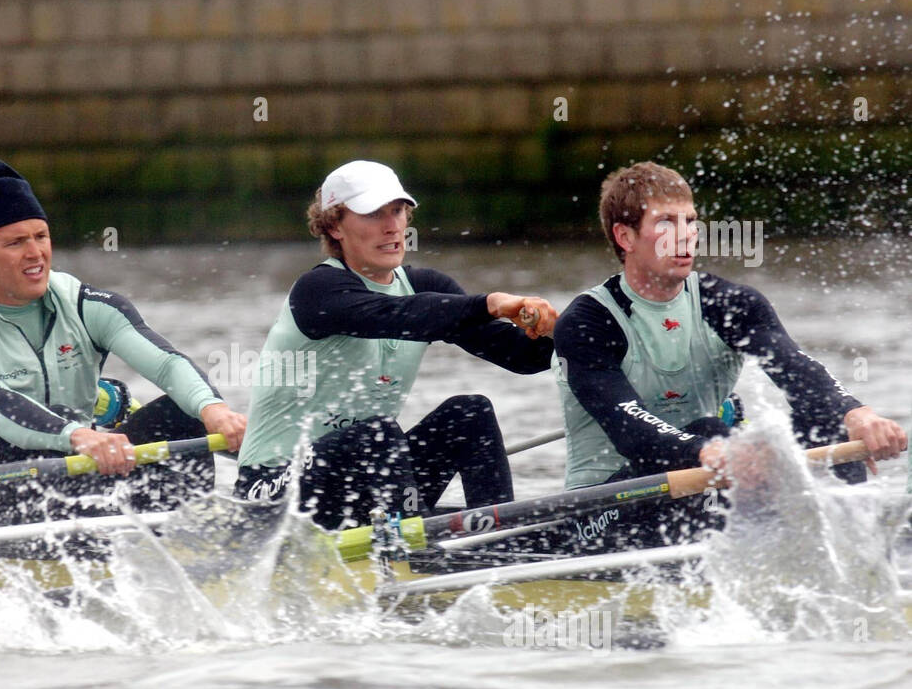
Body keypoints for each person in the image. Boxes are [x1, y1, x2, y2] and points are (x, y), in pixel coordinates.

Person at [553, 161, 906, 541]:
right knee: (713, 431)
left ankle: (854, 545)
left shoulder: (729, 303)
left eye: (690, 222)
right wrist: (708, 450)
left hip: (708, 479)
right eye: (666, 223)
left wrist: (856, 414)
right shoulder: (587, 323)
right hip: (604, 508)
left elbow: (795, 368)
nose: (685, 236)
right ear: (626, 237)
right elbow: (629, 428)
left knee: (828, 422)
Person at [234, 160, 558, 530]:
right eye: (374, 214)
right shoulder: (317, 292)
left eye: (399, 211)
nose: (392, 226)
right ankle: (408, 555)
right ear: (335, 225)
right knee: (377, 433)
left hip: (366, 484)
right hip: (270, 491)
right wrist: (489, 304)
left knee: (470, 413)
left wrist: (569, 329)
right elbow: (399, 315)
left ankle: (498, 544)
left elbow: (524, 356)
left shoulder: (424, 286)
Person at [0, 159, 246, 518]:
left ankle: (181, 533)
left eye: (41, 236)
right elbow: (2, 409)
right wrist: (77, 435)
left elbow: (166, 364)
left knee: (182, 411)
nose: (35, 253)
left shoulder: (86, 305)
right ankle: (107, 538)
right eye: (15, 242)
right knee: (45, 438)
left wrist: (214, 410)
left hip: (72, 460)